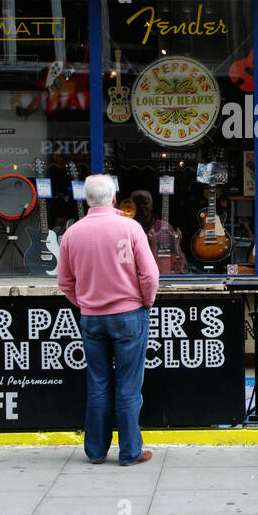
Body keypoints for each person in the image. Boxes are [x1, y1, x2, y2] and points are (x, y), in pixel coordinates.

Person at [55, 174, 159, 466]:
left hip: (91, 318)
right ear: (114, 198)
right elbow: (150, 276)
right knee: (128, 384)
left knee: (98, 382)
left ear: (86, 199)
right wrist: (146, 303)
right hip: (129, 315)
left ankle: (96, 451)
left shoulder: (73, 234)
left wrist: (85, 303)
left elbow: (65, 282)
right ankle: (130, 451)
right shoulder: (130, 227)